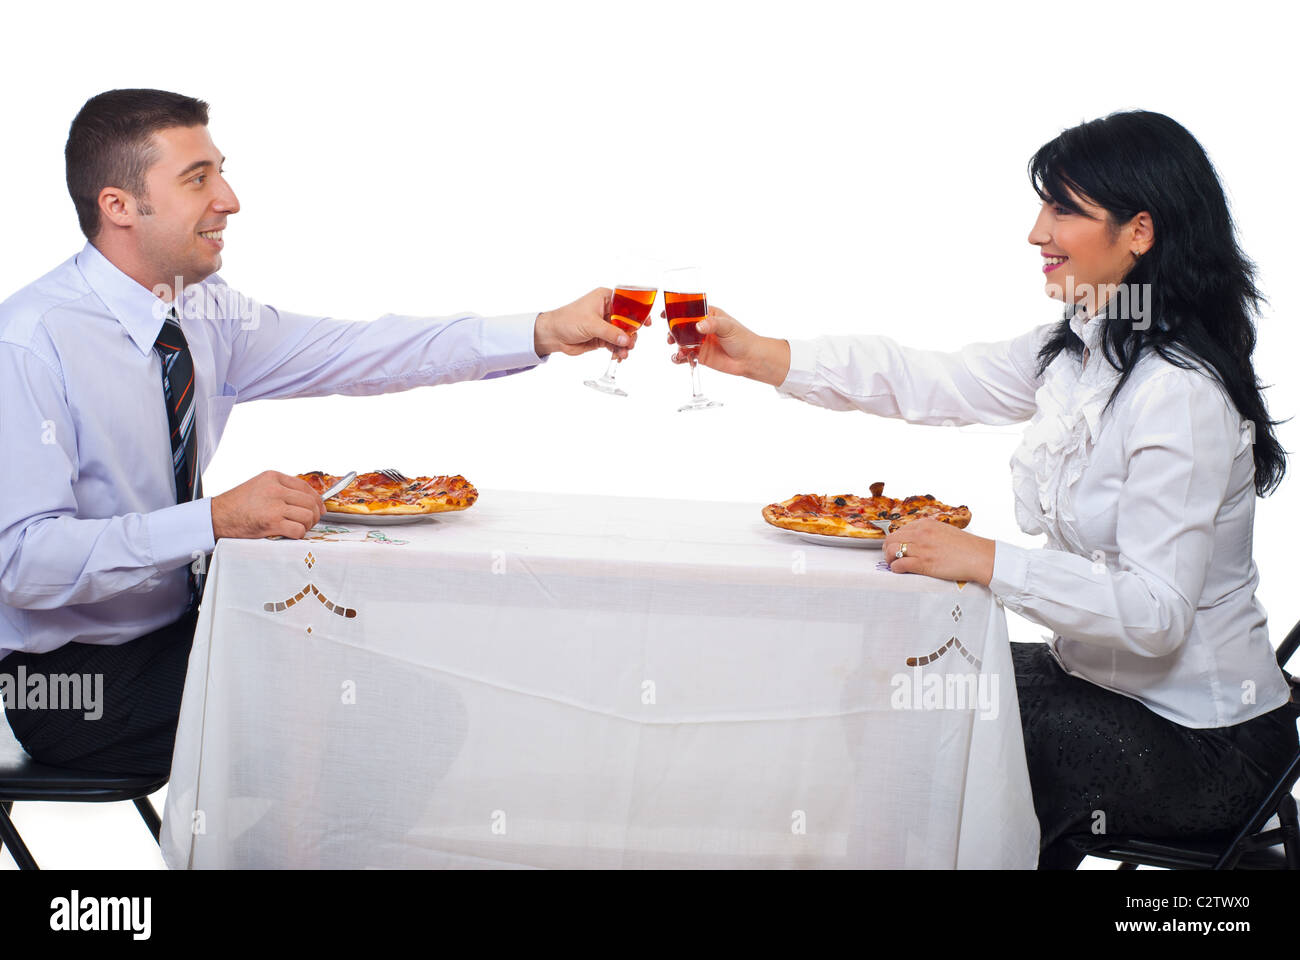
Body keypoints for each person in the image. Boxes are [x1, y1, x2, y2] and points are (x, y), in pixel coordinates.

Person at [670, 110, 1297, 869]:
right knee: (893, 683)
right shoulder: (1084, 345)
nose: (1038, 232)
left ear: (1140, 232)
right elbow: (934, 378)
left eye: (1065, 209)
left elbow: (1156, 615)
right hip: (1105, 687)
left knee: (944, 728)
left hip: (1204, 743)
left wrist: (985, 560)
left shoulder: (1180, 393)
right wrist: (767, 356)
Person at [0, 88, 639, 777]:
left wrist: (541, 329)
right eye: (198, 179)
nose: (230, 199)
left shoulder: (206, 312)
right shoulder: (31, 344)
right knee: (383, 720)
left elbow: (361, 350)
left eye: (220, 170)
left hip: (186, 630)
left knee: (405, 672)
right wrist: (211, 521)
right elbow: (18, 560)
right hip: (71, 687)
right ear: (118, 206)